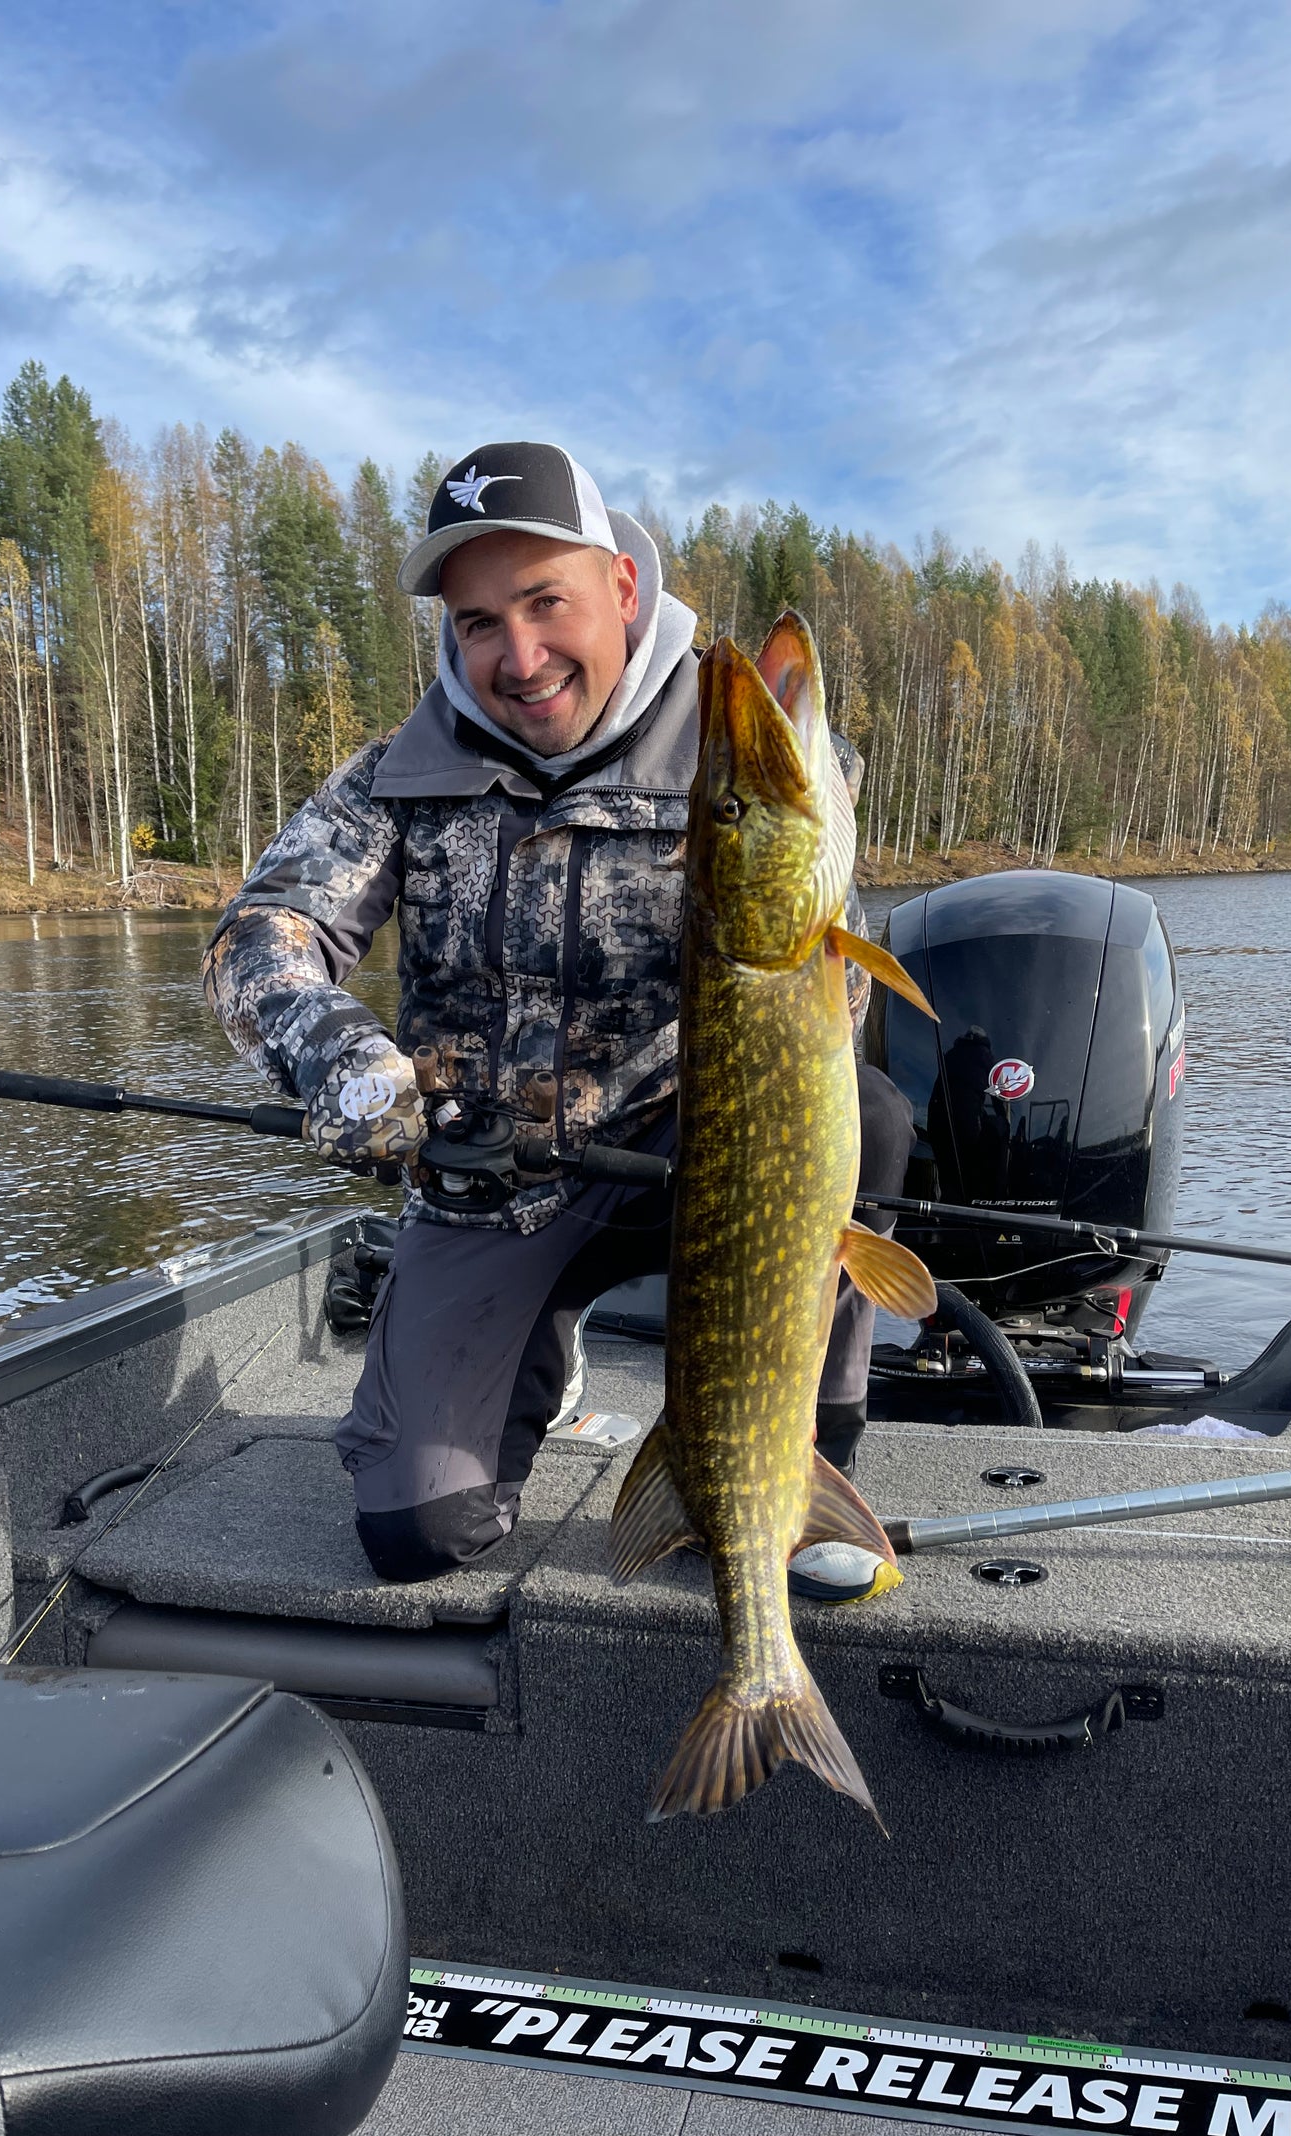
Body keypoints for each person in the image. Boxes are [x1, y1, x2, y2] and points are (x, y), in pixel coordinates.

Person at [204, 441, 914, 1594]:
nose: (520, 657)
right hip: (492, 1186)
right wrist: (336, 1056)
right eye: (482, 622)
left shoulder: (742, 761)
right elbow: (261, 935)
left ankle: (808, 1461)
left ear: (621, 588)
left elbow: (832, 988)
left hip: (695, 1168)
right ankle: (545, 1347)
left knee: (867, 1123)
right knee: (417, 1533)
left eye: (546, 603)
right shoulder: (395, 776)